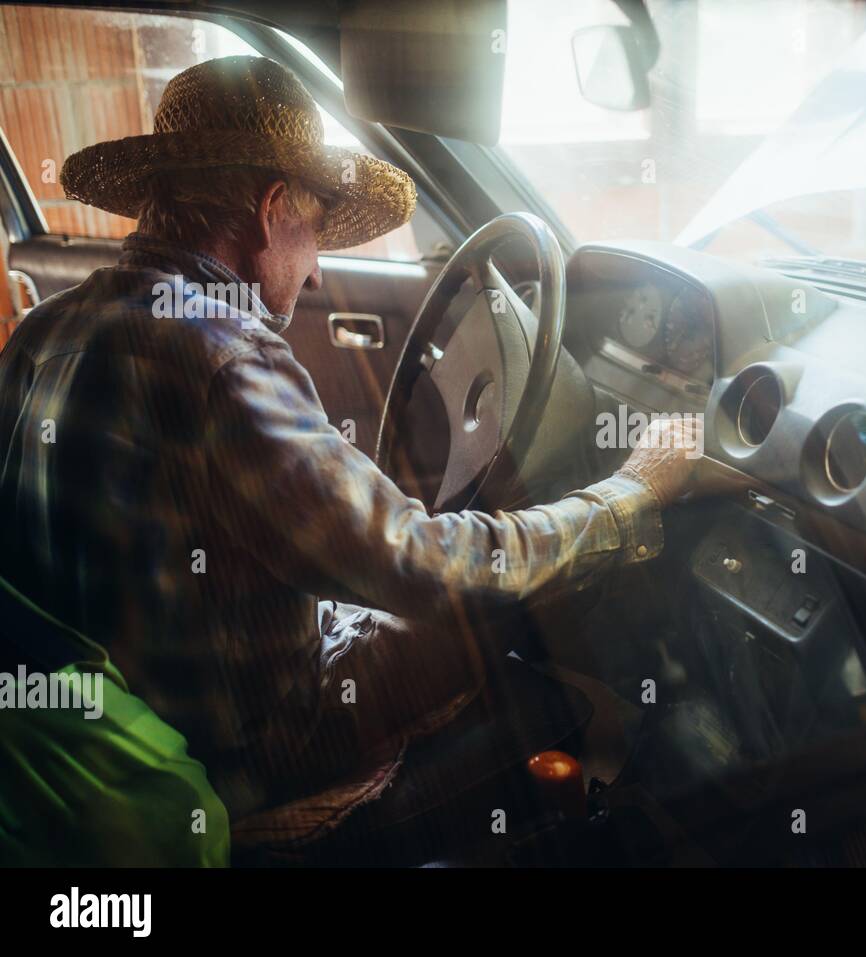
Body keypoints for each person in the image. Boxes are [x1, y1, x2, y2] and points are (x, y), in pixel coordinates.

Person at [0, 56, 702, 823]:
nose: (318, 276)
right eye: (317, 230)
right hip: (246, 757)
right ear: (271, 211)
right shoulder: (225, 359)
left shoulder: (41, 332)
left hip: (90, 740)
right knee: (510, 603)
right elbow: (420, 564)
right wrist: (626, 497)